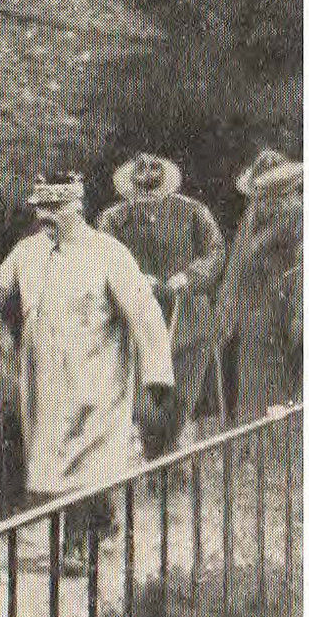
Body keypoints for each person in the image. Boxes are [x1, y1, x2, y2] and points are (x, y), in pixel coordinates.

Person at [0, 173, 174, 572]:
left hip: (97, 376)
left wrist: (156, 375)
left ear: (75, 208)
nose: (43, 221)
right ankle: (99, 523)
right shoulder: (27, 252)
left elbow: (144, 314)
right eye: (39, 213)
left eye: (52, 212)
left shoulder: (109, 254)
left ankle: (79, 541)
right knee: (50, 462)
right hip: (43, 377)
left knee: (88, 459)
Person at [97, 154, 225, 446]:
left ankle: (175, 458)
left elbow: (215, 251)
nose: (147, 198)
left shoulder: (194, 212)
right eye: (141, 192)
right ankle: (154, 456)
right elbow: (103, 257)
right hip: (137, 320)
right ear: (130, 188)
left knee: (182, 395)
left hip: (189, 320)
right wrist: (136, 278)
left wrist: (190, 276)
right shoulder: (113, 219)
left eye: (153, 192)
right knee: (144, 400)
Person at [214, 150, 303, 423]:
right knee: (258, 398)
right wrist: (225, 313)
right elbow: (236, 271)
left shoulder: (298, 214)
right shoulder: (252, 220)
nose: (265, 202)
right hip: (256, 318)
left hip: (288, 310)